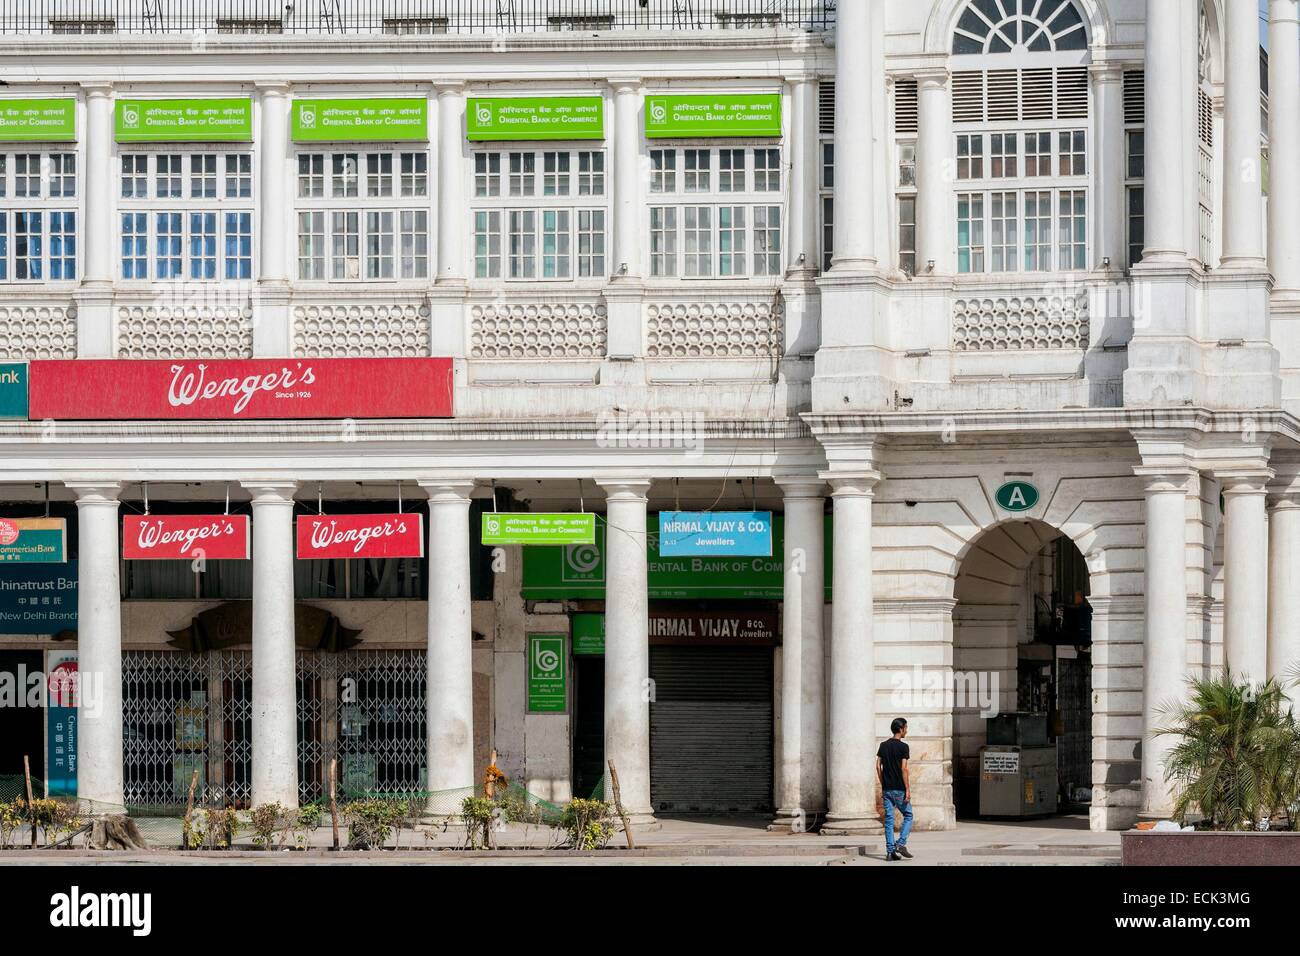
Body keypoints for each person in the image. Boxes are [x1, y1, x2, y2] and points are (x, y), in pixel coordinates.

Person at [877, 717, 913, 861]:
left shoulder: (883, 745)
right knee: (909, 815)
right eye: (906, 727)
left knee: (889, 820)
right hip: (899, 789)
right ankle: (901, 844)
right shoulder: (904, 747)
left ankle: (890, 851)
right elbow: (904, 769)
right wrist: (908, 790)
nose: (907, 730)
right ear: (901, 728)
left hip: (887, 790)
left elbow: (877, 765)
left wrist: (883, 782)